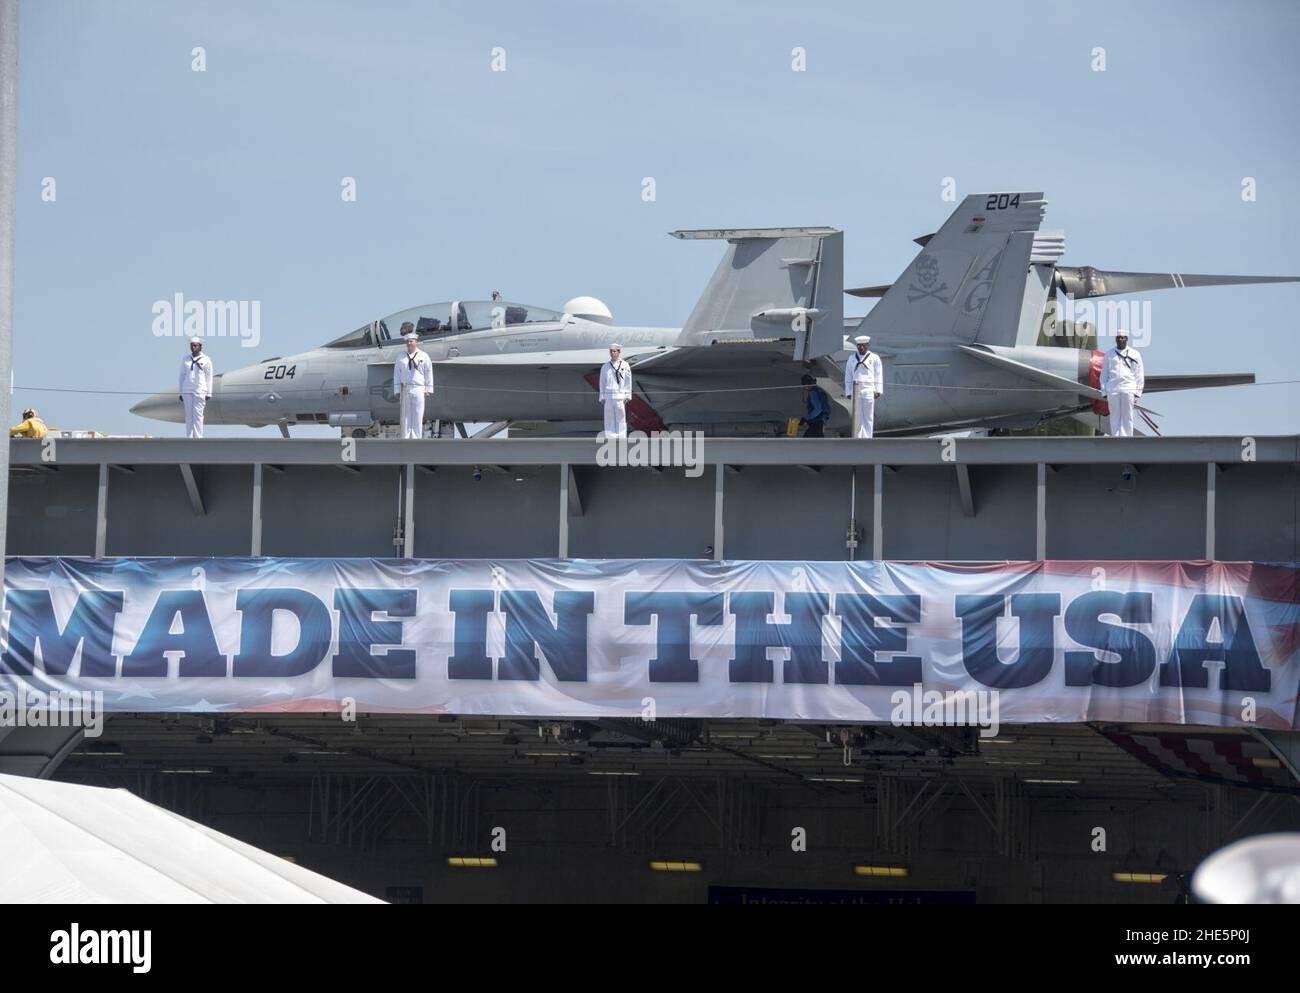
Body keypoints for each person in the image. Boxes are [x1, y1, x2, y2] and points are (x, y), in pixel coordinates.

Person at [1102, 329, 1144, 437]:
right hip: (1113, 389)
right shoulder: (1109, 354)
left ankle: (1127, 438)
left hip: (1129, 388)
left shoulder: (1135, 354)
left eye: (1123, 337)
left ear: (1126, 339)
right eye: (1119, 337)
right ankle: (1115, 437)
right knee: (1114, 415)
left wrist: (1138, 393)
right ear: (1115, 339)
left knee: (1127, 415)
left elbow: (1139, 375)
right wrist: (1104, 391)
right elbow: (1104, 374)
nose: (1121, 339)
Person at [393, 332, 435, 438]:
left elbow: (428, 372)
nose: (409, 343)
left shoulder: (424, 356)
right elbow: (397, 374)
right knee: (406, 415)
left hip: (418, 388)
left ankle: (416, 437)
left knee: (418, 414)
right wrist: (397, 390)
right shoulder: (401, 356)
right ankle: (406, 437)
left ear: (416, 342)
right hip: (406, 388)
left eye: (411, 341)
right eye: (407, 341)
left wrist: (428, 389)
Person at [843, 334, 883, 438]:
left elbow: (878, 375)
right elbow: (848, 375)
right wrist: (848, 391)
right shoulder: (851, 358)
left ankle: (868, 437)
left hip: (869, 389)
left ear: (867, 345)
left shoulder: (874, 358)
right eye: (859, 345)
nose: (861, 347)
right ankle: (857, 437)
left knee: (868, 416)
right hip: (856, 390)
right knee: (857, 416)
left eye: (863, 345)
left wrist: (878, 390)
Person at [178, 337, 214, 438]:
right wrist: (180, 392)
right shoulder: (185, 359)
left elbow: (209, 376)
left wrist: (209, 392)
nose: (193, 347)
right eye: (191, 345)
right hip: (187, 389)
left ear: (200, 346)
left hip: (200, 389)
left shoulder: (206, 359)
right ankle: (189, 437)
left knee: (198, 414)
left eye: (195, 345)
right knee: (188, 415)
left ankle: (198, 438)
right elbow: (181, 376)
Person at [599, 343, 632, 437]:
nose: (612, 353)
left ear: (619, 352)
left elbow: (628, 381)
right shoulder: (605, 366)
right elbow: (602, 382)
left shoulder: (625, 365)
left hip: (620, 394)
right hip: (609, 395)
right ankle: (610, 435)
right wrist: (602, 396)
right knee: (609, 417)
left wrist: (628, 395)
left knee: (620, 416)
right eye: (611, 351)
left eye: (614, 351)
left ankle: (621, 435)